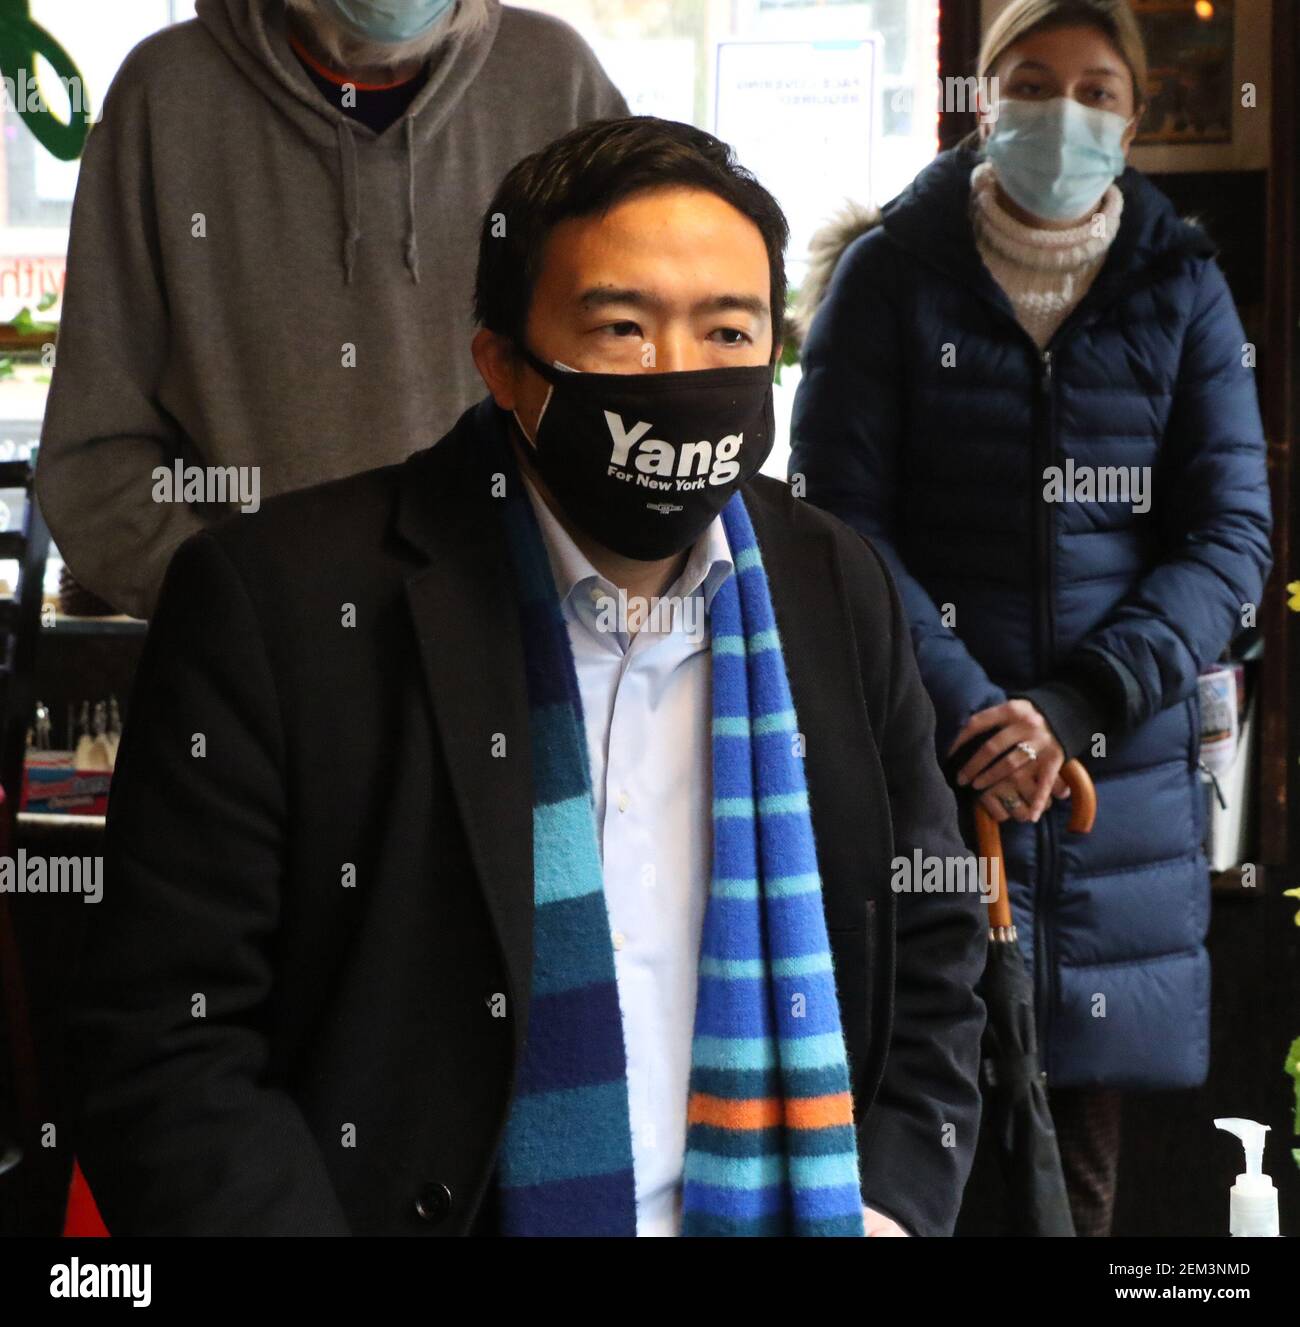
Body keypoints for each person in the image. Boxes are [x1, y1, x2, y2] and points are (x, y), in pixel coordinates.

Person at [64, 115, 987, 1237]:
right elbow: (164, 1040)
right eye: (620, 328)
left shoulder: (829, 583)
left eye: (727, 330)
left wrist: (888, 1205)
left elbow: (932, 939)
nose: (677, 373)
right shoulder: (280, 605)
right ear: (500, 361)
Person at [788, 0, 1273, 1238]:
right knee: (912, 1125)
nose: (1065, 113)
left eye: (1099, 90)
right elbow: (840, 526)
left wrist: (1071, 709)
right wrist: (975, 718)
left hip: (1117, 779)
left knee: (1078, 1170)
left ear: (1137, 111)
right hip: (922, 760)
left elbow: (1230, 542)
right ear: (979, 94)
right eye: (1034, 79)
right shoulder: (888, 274)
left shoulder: (1184, 285)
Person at [35, 0, 627, 622]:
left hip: (516, 645)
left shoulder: (559, 81)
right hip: (256, 670)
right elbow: (97, 458)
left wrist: (547, 594)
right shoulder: (166, 94)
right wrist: (242, 610)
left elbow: (628, 391)